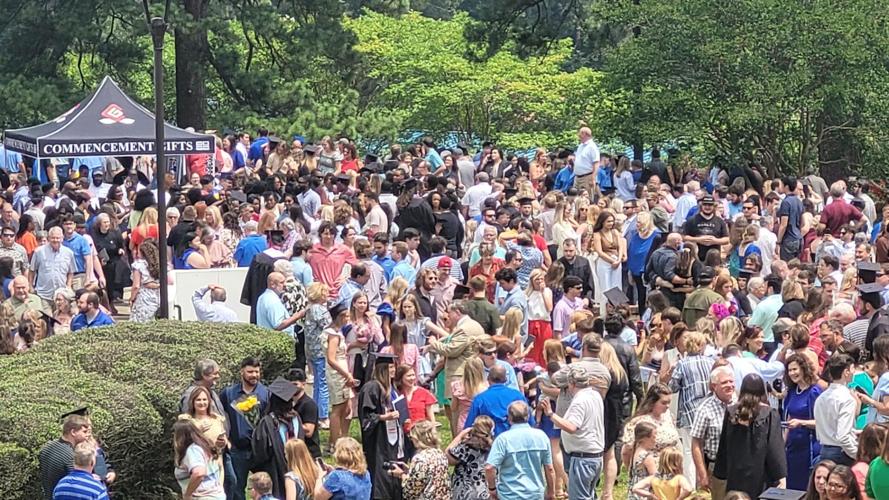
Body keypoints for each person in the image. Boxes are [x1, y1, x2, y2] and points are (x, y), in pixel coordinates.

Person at [713, 374, 787, 498]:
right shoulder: (769, 414)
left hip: (736, 474)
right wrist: (780, 475)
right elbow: (774, 447)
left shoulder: (731, 411)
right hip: (761, 474)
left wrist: (721, 472)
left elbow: (723, 444)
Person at [540, 364, 605, 500]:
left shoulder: (579, 401)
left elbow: (571, 427)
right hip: (595, 456)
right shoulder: (595, 395)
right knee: (589, 496)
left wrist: (551, 415)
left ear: (572, 383)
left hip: (583, 458)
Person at [219, 358, 270, 500]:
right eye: (250, 372)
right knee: (236, 488)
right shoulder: (228, 393)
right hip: (237, 449)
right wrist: (227, 440)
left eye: (257, 371)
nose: (254, 375)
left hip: (260, 450)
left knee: (264, 487)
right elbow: (220, 416)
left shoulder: (266, 393)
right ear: (241, 372)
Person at [484, 400, 555, 500]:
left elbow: (489, 468)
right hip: (535, 494)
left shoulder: (503, 439)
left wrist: (492, 489)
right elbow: (549, 468)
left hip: (509, 494)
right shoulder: (542, 436)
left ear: (509, 418)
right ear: (528, 416)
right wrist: (551, 492)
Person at [357, 353, 404, 500]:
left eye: (393, 366)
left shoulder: (391, 388)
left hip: (392, 438)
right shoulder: (371, 388)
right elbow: (366, 418)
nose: (393, 370)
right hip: (378, 440)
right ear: (381, 369)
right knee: (379, 473)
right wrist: (385, 417)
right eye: (390, 367)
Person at [251, 378, 303, 499]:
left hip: (275, 470)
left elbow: (261, 452)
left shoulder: (268, 422)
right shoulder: (297, 418)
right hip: (296, 466)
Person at [782, 353, 823, 491]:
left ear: (804, 368)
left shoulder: (814, 392)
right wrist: (783, 443)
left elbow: (821, 422)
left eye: (795, 369)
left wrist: (801, 422)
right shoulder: (792, 392)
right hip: (793, 448)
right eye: (789, 370)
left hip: (809, 447)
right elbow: (789, 418)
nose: (792, 373)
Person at [464, 363, 533, 436]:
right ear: (505, 379)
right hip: (515, 439)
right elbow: (530, 421)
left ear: (488, 379)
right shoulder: (518, 395)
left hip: (490, 441)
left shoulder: (480, 399)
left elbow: (469, 426)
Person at [815, 354, 860, 466]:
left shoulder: (821, 397)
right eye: (853, 368)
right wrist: (856, 454)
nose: (854, 372)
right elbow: (843, 436)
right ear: (846, 372)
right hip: (841, 453)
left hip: (824, 450)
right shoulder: (847, 399)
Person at [387, 420, 450, 500]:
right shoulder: (440, 454)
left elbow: (410, 491)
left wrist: (401, 474)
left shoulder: (420, 459)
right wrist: (411, 471)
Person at [39, 411, 93, 499]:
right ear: (73, 432)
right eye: (84, 432)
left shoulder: (47, 446)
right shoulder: (70, 456)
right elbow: (76, 484)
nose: (87, 435)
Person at [173, 419, 226, 500]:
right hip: (216, 495)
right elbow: (219, 468)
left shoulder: (193, 451)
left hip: (203, 497)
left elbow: (199, 473)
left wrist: (188, 495)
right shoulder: (204, 447)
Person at [447, 416, 495, 500]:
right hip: (487, 492)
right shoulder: (495, 447)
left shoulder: (465, 448)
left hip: (465, 493)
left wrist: (461, 435)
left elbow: (447, 457)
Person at [30, 226, 75, 311]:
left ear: (62, 238)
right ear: (48, 238)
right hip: (43, 295)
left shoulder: (69, 253)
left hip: (61, 295)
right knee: (46, 319)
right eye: (53, 238)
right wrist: (31, 286)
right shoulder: (39, 252)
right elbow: (32, 270)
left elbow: (71, 272)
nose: (55, 240)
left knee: (59, 320)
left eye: (58, 238)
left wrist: (68, 286)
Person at [394, 364, 436, 430]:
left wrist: (433, 430)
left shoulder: (424, 393)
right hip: (402, 433)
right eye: (408, 376)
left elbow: (431, 417)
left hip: (421, 432)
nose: (412, 378)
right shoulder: (396, 394)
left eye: (413, 375)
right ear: (401, 377)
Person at [129, 240, 161, 322]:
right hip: (157, 296)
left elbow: (136, 286)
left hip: (143, 298)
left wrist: (132, 299)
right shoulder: (158, 264)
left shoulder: (138, 265)